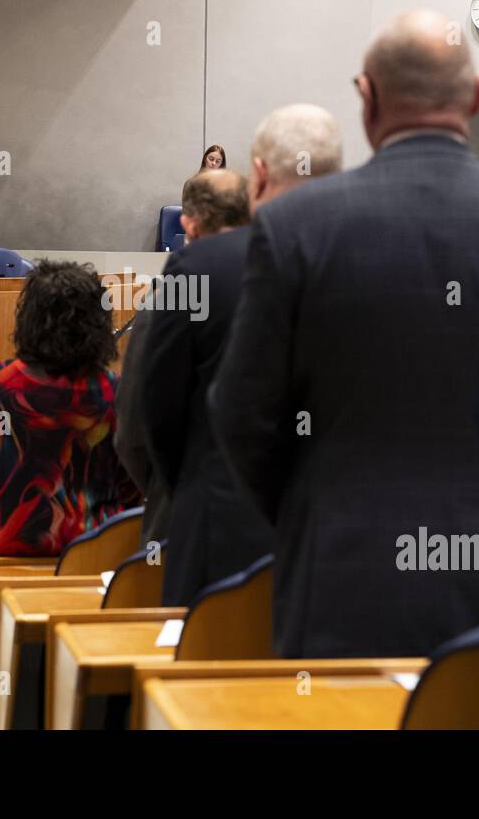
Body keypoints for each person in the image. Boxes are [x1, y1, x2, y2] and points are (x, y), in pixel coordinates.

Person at [209, 10, 479, 659]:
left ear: (366, 97)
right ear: (478, 95)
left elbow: (240, 411)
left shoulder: (295, 226)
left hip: (342, 574)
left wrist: (313, 507)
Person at [140, 107, 342, 606]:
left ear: (257, 176)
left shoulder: (190, 265)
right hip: (331, 536)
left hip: (217, 526)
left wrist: (183, 485)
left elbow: (155, 408)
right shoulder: (351, 258)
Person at [0, 260, 142, 556]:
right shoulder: (120, 393)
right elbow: (134, 484)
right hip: (90, 557)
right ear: (99, 324)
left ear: (28, 320)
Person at [116, 169, 250, 552]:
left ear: (188, 225)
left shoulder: (169, 298)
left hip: (184, 513)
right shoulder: (289, 281)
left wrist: (168, 483)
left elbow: (133, 432)